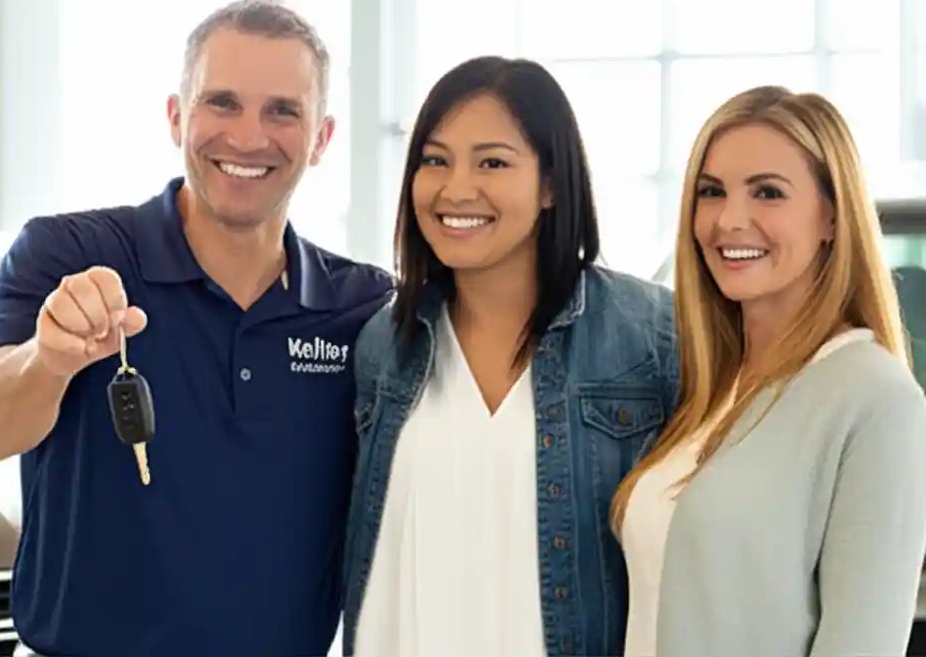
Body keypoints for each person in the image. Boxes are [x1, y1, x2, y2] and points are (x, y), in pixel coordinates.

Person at [0, 0, 392, 657]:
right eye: (222, 103)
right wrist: (49, 360)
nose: (248, 137)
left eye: (282, 111)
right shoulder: (69, 255)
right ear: (176, 116)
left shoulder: (361, 309)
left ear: (322, 138)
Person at [340, 56, 680, 657]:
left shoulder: (651, 337)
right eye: (434, 159)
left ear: (551, 184)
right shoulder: (384, 345)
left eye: (492, 162)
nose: (455, 188)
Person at [613, 86, 926, 657]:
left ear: (833, 216)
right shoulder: (708, 386)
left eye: (768, 192)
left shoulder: (875, 399)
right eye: (712, 192)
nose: (730, 220)